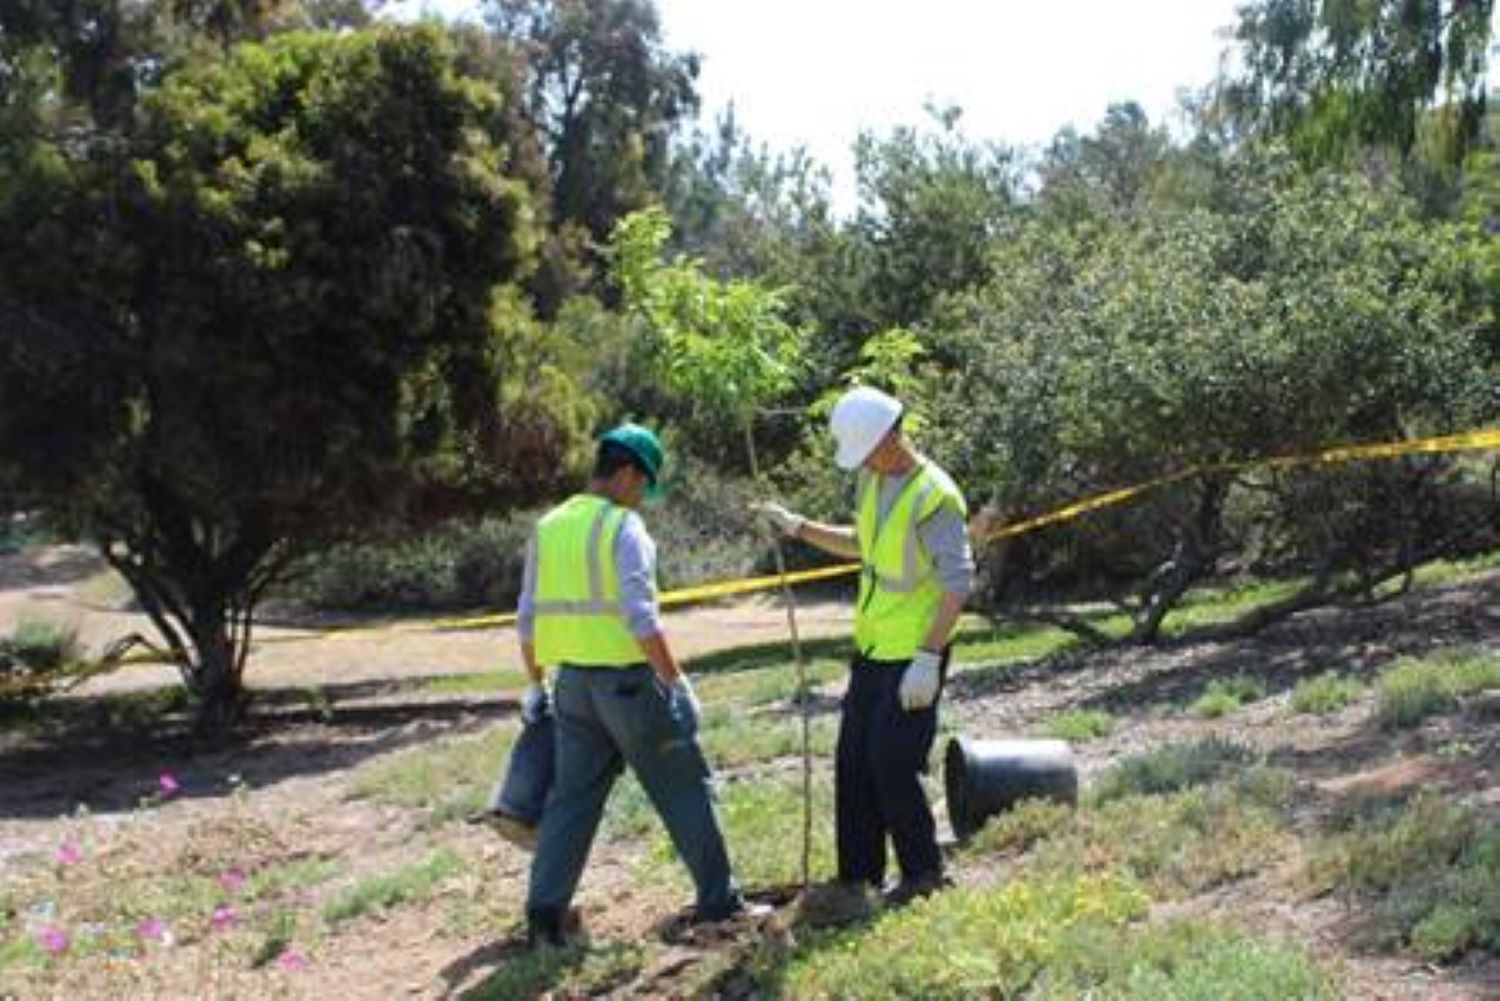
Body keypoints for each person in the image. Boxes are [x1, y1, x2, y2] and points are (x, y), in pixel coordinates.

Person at [517, 424, 755, 947]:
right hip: (629, 688)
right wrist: (675, 681)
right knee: (683, 786)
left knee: (570, 801)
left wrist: (535, 685)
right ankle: (720, 904)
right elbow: (641, 618)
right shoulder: (623, 528)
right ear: (627, 473)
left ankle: (544, 919)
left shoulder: (549, 526)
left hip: (571, 688)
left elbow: (527, 619)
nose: (644, 498)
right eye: (644, 486)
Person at [753, 387, 974, 916]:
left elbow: (959, 582)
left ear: (892, 434)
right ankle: (858, 879)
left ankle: (923, 874)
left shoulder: (936, 496)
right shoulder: (872, 480)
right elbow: (863, 544)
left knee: (892, 763)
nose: (865, 461)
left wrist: (928, 658)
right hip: (874, 647)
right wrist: (799, 527)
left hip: (914, 652)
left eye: (869, 450)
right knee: (853, 763)